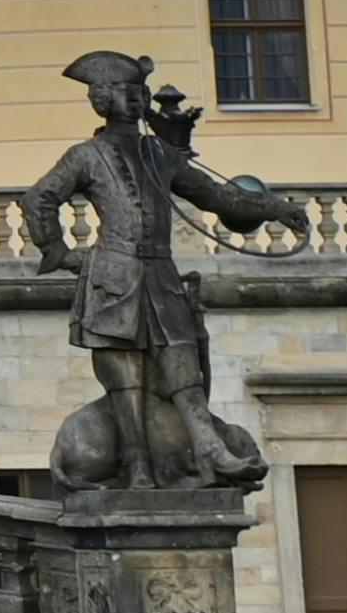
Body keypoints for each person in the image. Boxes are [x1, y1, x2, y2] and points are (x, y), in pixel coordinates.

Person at [19, 49, 302, 490]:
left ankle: (209, 450)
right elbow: (39, 198)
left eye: (140, 92)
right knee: (125, 381)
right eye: (125, 92)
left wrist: (275, 207)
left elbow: (217, 196)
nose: (136, 100)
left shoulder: (160, 154)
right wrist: (58, 251)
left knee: (183, 363)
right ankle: (137, 469)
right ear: (100, 100)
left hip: (161, 275)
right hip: (112, 278)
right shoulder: (86, 155)